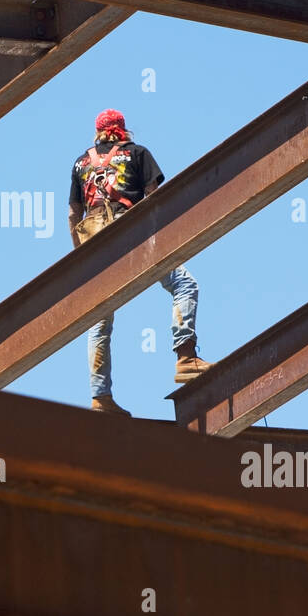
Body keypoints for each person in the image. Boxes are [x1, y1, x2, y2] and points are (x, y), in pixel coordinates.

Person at [68, 109, 212, 416]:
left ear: (98, 132)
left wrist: (80, 259)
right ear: (123, 130)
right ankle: (186, 356)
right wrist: (158, 243)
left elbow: (72, 214)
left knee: (100, 319)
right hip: (131, 236)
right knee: (184, 283)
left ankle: (100, 397)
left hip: (95, 246)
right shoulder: (137, 153)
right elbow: (153, 198)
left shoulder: (80, 163)